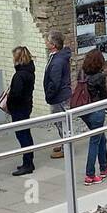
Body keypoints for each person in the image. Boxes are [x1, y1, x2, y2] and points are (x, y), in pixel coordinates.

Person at [77, 49, 107, 184]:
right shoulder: (99, 76)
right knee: (95, 140)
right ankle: (90, 175)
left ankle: (104, 167)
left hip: (84, 111)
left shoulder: (81, 72)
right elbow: (104, 94)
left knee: (101, 138)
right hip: (96, 111)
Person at [4, 46, 36, 176]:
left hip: (19, 108)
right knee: (25, 134)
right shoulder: (29, 72)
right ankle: (28, 161)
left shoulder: (19, 75)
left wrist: (9, 105)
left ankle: (28, 163)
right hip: (26, 105)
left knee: (22, 135)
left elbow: (16, 94)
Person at [42, 30, 72, 159]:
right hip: (59, 95)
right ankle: (64, 143)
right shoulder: (57, 57)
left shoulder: (57, 61)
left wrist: (49, 95)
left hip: (58, 97)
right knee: (60, 121)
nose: (46, 43)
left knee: (61, 122)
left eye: (48, 41)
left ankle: (67, 148)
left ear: (53, 45)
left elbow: (55, 82)